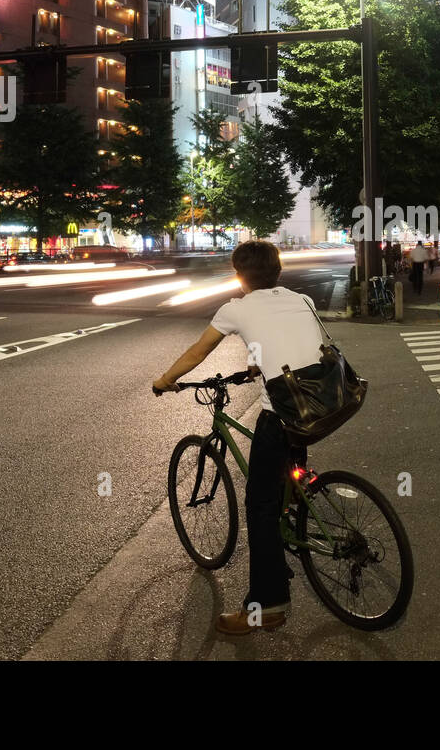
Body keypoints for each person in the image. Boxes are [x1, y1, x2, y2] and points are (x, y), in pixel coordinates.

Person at [153, 240, 323, 635]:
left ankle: (267, 606)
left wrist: (166, 380)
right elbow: (291, 344)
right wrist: (253, 364)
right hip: (316, 408)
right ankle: (298, 496)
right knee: (284, 478)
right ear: (278, 272)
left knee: (259, 508)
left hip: (280, 415)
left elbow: (198, 352)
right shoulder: (303, 299)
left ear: (239, 274)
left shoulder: (236, 308)